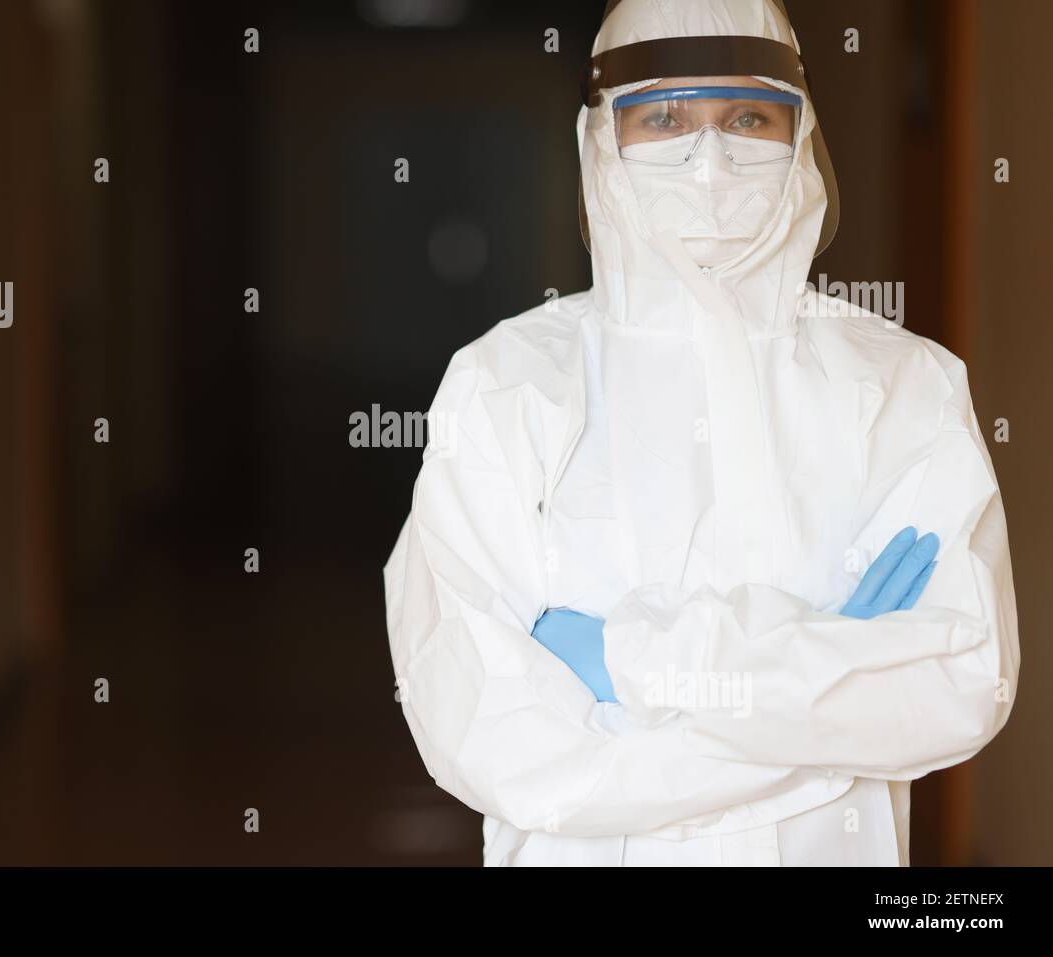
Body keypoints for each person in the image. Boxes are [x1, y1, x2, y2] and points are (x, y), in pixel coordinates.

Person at [382, 0, 1020, 866]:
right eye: (665, 117)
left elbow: (961, 683)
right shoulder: (508, 387)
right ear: (600, 139)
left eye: (748, 117)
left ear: (801, 135)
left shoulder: (901, 385)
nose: (711, 162)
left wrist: (628, 660)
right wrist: (824, 699)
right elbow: (496, 740)